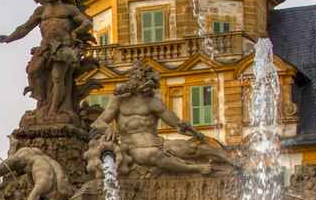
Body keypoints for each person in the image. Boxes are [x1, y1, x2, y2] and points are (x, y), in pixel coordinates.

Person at [92, 64, 239, 176]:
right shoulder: (119, 101)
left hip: (159, 142)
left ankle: (235, 162)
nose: (149, 85)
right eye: (145, 80)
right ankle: (196, 168)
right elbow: (99, 122)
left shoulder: (154, 102)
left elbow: (176, 125)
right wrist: (108, 127)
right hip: (133, 148)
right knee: (156, 154)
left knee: (193, 148)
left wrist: (186, 127)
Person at [0, 0, 95, 119]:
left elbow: (87, 23)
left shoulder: (68, 9)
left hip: (63, 44)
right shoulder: (41, 11)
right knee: (33, 72)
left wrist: (75, 33)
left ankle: (53, 109)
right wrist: (9, 38)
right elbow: (25, 28)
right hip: (46, 45)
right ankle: (43, 101)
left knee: (57, 77)